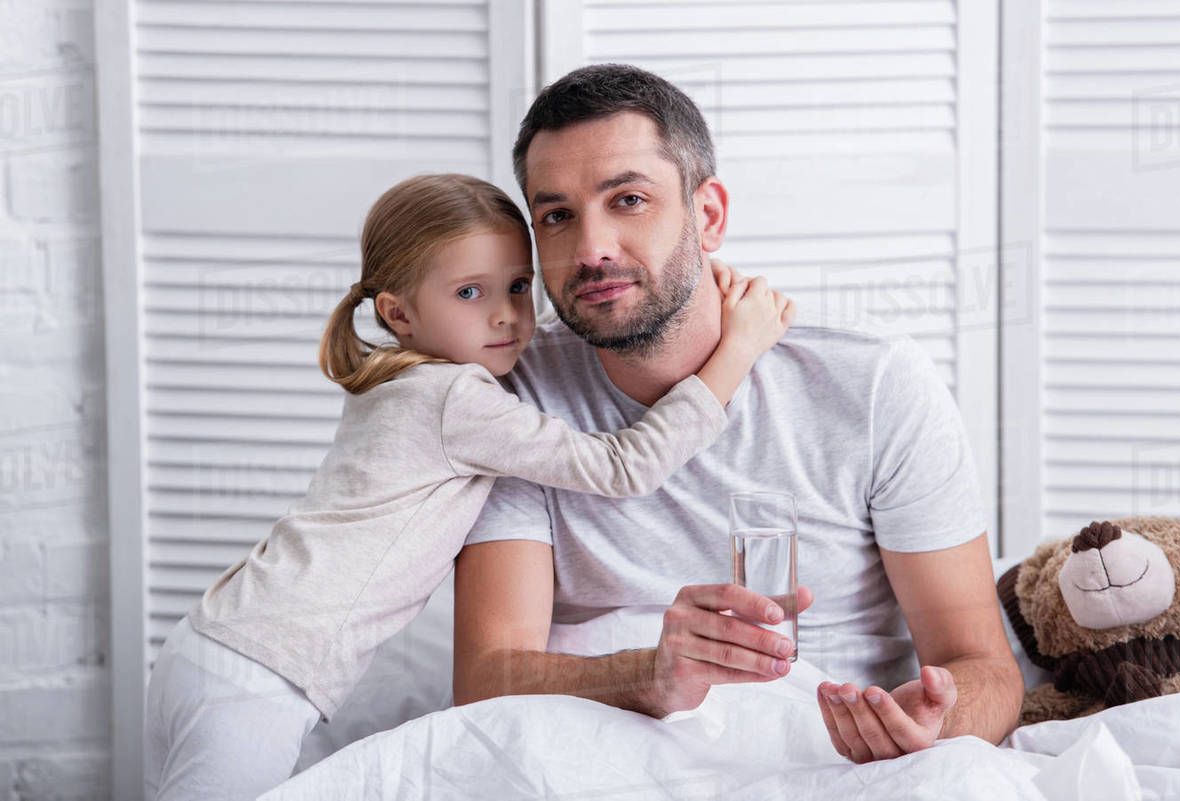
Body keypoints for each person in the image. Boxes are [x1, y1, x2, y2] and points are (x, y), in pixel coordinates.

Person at [143, 172, 795, 799]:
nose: (508, 316)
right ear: (399, 313)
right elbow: (624, 466)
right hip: (259, 669)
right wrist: (736, 350)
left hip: (212, 645)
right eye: (469, 293)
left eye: (517, 286)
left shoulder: (398, 379)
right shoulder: (455, 396)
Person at [452, 64, 1025, 764]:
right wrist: (651, 674)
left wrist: (931, 724)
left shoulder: (872, 382)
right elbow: (487, 677)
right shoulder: (511, 393)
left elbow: (985, 667)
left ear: (709, 215)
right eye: (557, 216)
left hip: (835, 761)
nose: (592, 249)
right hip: (598, 763)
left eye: (628, 199)